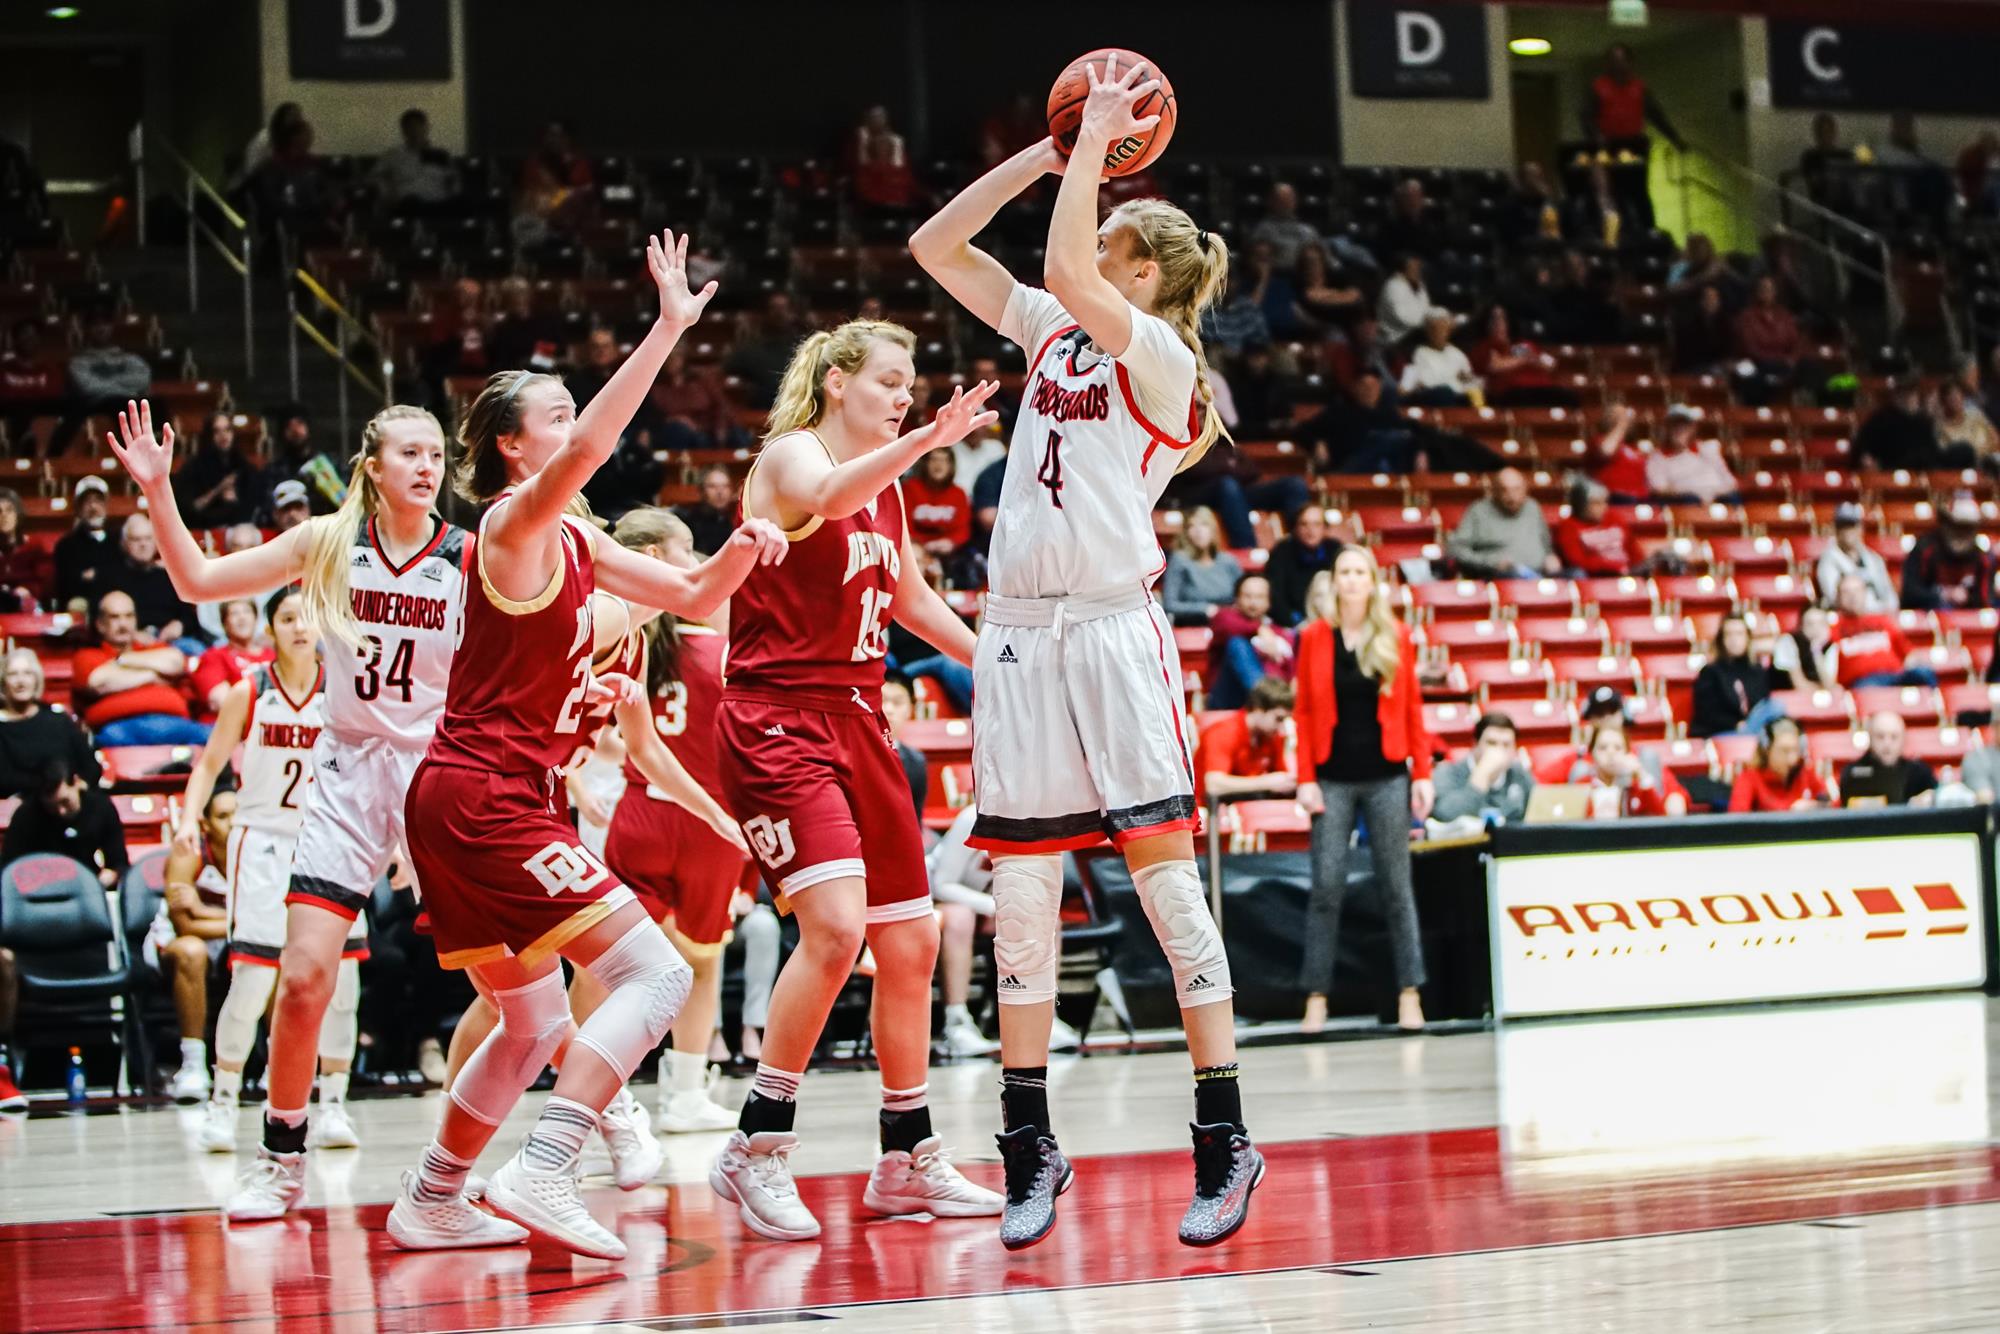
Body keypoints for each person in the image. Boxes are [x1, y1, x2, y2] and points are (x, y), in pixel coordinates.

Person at [912, 62, 1263, 1249]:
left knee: (1167, 892)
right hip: (1018, 631)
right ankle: (1029, 1143)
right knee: (1017, 901)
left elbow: (1063, 265)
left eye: (1109, 233)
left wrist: (1098, 153)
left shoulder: (1161, 357)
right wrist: (1048, 155)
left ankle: (1223, 1136)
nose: (1087, 245)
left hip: (1112, 628)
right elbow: (935, 246)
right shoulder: (1057, 325)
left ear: (1143, 269)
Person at [390, 234, 791, 1258]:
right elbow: (587, 455)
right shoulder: (508, 527)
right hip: (483, 794)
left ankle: (433, 1194)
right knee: (653, 979)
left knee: (528, 1026)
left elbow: (695, 594)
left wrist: (747, 543)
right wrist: (665, 329)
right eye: (556, 417)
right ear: (515, 447)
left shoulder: (576, 540)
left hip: (475, 797)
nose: (574, 431)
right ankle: (547, 1164)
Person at [108, 396, 469, 1224]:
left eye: (437, 456)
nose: (425, 467)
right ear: (372, 468)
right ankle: (281, 1156)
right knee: (303, 976)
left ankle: (482, 1163)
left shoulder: (466, 555)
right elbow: (196, 581)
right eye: (408, 453)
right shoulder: (327, 544)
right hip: (343, 773)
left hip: (431, 774)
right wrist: (159, 492)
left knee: (507, 978)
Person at [693, 314, 1000, 1244]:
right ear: (835, 381)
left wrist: (989, 659)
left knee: (908, 946)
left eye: (911, 386)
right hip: (776, 720)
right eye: (889, 381)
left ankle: (905, 1155)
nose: (904, 396)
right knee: (832, 932)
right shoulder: (788, 459)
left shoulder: (891, 492)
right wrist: (927, 439)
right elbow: (826, 493)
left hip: (860, 721)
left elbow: (905, 598)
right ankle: (758, 1147)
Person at [175, 589, 369, 1153]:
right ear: (271, 631)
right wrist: (190, 818)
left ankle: (332, 1105)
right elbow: (209, 763)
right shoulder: (250, 690)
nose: (300, 627)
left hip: (328, 839)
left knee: (342, 984)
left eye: (309, 616)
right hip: (261, 840)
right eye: (287, 618)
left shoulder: (344, 689)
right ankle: (223, 1104)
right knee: (255, 979)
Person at [599, 509, 755, 1133]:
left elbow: (615, 740)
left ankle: (597, 1090)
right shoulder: (719, 648)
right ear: (657, 556)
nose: (696, 563)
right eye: (687, 550)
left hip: (639, 811)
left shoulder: (619, 639)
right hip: (707, 823)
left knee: (606, 963)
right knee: (701, 960)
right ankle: (685, 1093)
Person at [1292, 546, 1433, 1035]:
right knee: (1326, 887)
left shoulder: (1396, 634)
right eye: (1344, 573)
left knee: (1397, 887)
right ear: (1334, 582)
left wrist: (1426, 775)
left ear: (1373, 582)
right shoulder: (1313, 637)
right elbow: (1305, 711)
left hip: (1388, 775)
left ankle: (1410, 993)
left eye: (1360, 573)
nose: (1351, 581)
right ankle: (1316, 998)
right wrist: (1305, 778)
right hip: (1331, 777)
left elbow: (1413, 707)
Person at [147, 785, 232, 1104]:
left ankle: (272, 1067)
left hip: (231, 941)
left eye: (238, 814)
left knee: (272, 950)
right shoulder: (188, 854)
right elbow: (185, 925)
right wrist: (236, 923)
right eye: (224, 816)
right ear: (206, 824)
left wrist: (204, 911)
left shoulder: (257, 853)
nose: (233, 822)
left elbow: (272, 919)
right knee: (192, 951)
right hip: (173, 942)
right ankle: (194, 1065)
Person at [71, 590, 207, 747]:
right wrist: (153, 675)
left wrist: (122, 660)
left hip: (174, 724)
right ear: (100, 625)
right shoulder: (87, 656)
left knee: (215, 737)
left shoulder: (153, 647)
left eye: (129, 616)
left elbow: (175, 663)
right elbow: (100, 682)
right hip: (121, 728)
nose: (123, 624)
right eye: (115, 617)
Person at [923, 804, 1005, 1059]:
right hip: (931, 895)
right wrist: (990, 905)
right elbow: (943, 884)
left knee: (1040, 916)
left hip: (979, 900)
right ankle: (956, 1022)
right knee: (959, 918)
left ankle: (1041, 1016)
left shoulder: (1037, 815)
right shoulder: (972, 817)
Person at [1582, 43, 1683, 231]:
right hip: (1609, 145)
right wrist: (1596, 135)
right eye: (1613, 61)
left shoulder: (1639, 87)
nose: (1617, 65)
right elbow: (1586, 115)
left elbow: (1655, 114)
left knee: (1639, 190)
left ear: (1630, 63)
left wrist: (1674, 138)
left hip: (1634, 143)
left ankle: (1647, 229)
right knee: (1613, 191)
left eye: (1621, 61)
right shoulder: (1599, 87)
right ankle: (1618, 229)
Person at [4, 756, 128, 887]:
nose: (61, 811)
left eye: (65, 802)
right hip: (41, 886)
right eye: (51, 807)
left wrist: (111, 875)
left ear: (76, 782)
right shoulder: (26, 815)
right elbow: (10, 866)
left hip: (88, 883)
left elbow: (119, 862)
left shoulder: (100, 807)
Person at [0, 649, 98, 798]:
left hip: (65, 803)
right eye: (13, 674)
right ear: (3, 682)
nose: (21, 681)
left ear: (36, 680)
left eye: (28, 673)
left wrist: (80, 788)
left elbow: (90, 766)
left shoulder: (58, 720)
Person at [57, 314, 151, 456]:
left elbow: (142, 380)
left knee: (154, 405)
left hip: (123, 402)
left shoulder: (130, 359)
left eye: (104, 324)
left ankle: (154, 450)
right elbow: (87, 387)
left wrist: (106, 385)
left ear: (111, 328)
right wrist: (123, 387)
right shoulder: (78, 362)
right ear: (87, 330)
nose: (101, 329)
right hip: (92, 405)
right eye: (95, 325)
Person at [106, 514, 203, 649]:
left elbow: (189, 616)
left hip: (171, 641)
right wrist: (132, 634)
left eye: (148, 539)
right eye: (136, 539)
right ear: (124, 543)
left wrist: (179, 625)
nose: (143, 544)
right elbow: (101, 621)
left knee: (197, 651)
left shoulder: (169, 576)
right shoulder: (110, 577)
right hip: (130, 642)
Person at [1193, 678, 1296, 805]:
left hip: (1249, 805)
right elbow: (1214, 784)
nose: (1282, 728)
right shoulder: (1224, 732)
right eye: (1278, 719)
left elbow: (1281, 778)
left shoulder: (1272, 735)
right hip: (1209, 809)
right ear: (1258, 709)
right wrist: (1266, 782)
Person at [1448, 467, 1558, 580]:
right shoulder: (1478, 511)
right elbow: (1456, 550)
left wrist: (1550, 557)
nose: (1511, 497)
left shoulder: (1533, 507)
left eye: (1516, 489)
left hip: (1541, 575)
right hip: (1500, 576)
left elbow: (1546, 546)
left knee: (1575, 575)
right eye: (1504, 490)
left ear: (1526, 489)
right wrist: (1491, 562)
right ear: (1494, 491)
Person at [1205, 573, 1295, 710]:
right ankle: (1269, 701)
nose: (1253, 603)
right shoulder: (1223, 618)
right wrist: (1258, 628)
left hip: (1259, 702)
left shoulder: (1279, 633)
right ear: (1237, 599)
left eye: (1259, 597)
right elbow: (1224, 624)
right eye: (1247, 596)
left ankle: (1272, 702)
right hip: (1227, 698)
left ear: (1269, 601)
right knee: (1237, 644)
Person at [1833, 574, 1938, 688]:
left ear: (1865, 593)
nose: (1853, 597)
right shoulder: (1834, 627)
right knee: (1869, 689)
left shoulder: (1882, 621)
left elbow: (1907, 653)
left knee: (1923, 673)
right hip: (1864, 683)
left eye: (1857, 591)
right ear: (1838, 598)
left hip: (1895, 676)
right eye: (1847, 592)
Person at [1431, 711, 1535, 825]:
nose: (1498, 751)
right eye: (1491, 743)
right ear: (1475, 744)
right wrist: (1481, 776)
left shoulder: (1519, 774)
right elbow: (1443, 816)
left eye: (1506, 745)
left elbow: (1540, 811)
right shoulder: (1448, 772)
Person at [1690, 613, 1783, 738]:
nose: (1734, 639)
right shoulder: (1710, 672)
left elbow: (1761, 705)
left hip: (1754, 731)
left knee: (1776, 710)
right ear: (1721, 639)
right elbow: (1707, 713)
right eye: (1729, 634)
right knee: (1775, 708)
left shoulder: (1757, 670)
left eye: (1739, 634)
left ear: (1748, 638)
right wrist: (1735, 724)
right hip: (1723, 733)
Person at [1902, 498, 2000, 611]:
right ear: (1945, 524)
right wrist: (1943, 594)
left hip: (1967, 616)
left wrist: (1967, 598)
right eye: (1956, 526)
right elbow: (1909, 594)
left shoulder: (1984, 559)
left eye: (1967, 528)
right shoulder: (1925, 550)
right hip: (1929, 614)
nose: (1961, 534)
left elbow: (1986, 600)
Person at [726, 292, 814, 411]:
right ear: (765, 314)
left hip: (800, 410)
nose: (779, 313)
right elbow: (726, 369)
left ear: (793, 313)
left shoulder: (806, 347)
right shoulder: (751, 349)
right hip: (763, 413)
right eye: (774, 308)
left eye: (784, 308)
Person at [1472, 306, 1572, 409]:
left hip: (1542, 388)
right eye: (1494, 320)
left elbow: (1550, 363)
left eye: (1503, 320)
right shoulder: (1486, 347)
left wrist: (1535, 360)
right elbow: (1495, 366)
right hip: (1513, 392)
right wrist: (1524, 360)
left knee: (1569, 397)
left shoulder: (1521, 345)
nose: (1499, 325)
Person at [190, 598, 273, 718]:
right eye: (234, 613)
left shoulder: (273, 656)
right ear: (225, 623)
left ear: (255, 619)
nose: (242, 618)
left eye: (247, 611)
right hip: (225, 728)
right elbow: (221, 703)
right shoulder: (213, 656)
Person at [175, 413, 259, 529]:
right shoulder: (193, 468)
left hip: (239, 533)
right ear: (209, 435)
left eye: (227, 430)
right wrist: (219, 490)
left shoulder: (245, 468)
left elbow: (254, 507)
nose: (223, 436)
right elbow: (188, 509)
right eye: (216, 431)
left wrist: (235, 500)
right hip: (202, 530)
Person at [1162, 507, 1243, 626]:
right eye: (1191, 526)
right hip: (1194, 623)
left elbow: (1243, 595)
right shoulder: (1180, 560)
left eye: (1204, 525)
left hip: (1229, 623)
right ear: (1185, 532)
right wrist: (1205, 609)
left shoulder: (1228, 560)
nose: (1198, 531)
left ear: (1213, 529)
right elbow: (1170, 604)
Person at [1728, 717, 1830, 811]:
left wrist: (1814, 806)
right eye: (1784, 751)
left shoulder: (1806, 773)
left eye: (1795, 750)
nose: (1792, 758)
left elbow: (1832, 805)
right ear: (1766, 750)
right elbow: (1736, 821)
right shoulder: (1749, 778)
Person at [1839, 712, 1939, 808]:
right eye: (1880, 736)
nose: (1887, 744)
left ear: (1903, 739)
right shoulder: (1853, 773)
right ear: (1870, 737)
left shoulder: (1919, 773)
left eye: (1894, 737)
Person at [1264, 504, 1339, 627]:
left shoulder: (1336, 550)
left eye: (1316, 524)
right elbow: (1275, 597)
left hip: (1331, 620)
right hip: (1293, 623)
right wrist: (1296, 622)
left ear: (1325, 529)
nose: (1310, 530)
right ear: (1295, 528)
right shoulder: (1281, 552)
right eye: (1304, 524)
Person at [1646, 405, 1738, 504]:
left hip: (1719, 497)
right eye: (1675, 426)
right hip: (1687, 501)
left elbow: (1730, 482)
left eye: (1684, 426)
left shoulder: (1708, 449)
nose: (1679, 430)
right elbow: (1660, 489)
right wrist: (1697, 493)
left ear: (1692, 429)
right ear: (1667, 429)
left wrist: (1712, 495)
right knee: (1691, 500)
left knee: (1733, 498)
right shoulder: (1657, 458)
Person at [1554, 476, 1642, 576]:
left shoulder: (1614, 518)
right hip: (1596, 576)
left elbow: (1632, 548)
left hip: (1627, 572)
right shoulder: (1568, 526)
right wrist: (1613, 567)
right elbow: (1577, 561)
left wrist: (1637, 567)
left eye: (1604, 502)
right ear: (1581, 505)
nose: (1604, 507)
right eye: (1596, 503)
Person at [371, 108, 457, 210]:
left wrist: (453, 190)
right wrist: (387, 191)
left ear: (426, 128)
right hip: (408, 201)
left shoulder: (441, 154)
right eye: (410, 127)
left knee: (464, 202)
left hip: (439, 201)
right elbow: (376, 177)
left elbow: (454, 180)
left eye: (418, 126)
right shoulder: (392, 155)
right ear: (403, 130)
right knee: (412, 203)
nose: (415, 131)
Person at [1817, 503, 1897, 611]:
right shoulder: (1828, 560)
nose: (1847, 531)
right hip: (1848, 620)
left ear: (1860, 528)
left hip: (1878, 616)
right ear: (1836, 530)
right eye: (1843, 526)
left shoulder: (1874, 559)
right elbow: (1833, 599)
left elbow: (1890, 597)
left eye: (1851, 525)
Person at [54, 475, 119, 607]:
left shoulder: (119, 541)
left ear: (106, 506)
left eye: (98, 501)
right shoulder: (66, 546)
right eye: (87, 502)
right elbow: (67, 585)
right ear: (78, 509)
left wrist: (93, 575)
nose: (93, 507)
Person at [1580, 723, 1668, 818]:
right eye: (1603, 747)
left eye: (1617, 748)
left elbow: (1659, 819)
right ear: (1592, 753)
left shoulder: (1636, 786)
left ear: (1627, 753)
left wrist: (1642, 775)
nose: (1611, 753)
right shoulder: (1582, 785)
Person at [1856, 376, 1941, 472]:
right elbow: (1863, 446)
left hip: (1919, 475)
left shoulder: (1924, 423)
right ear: (1896, 396)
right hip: (1887, 473)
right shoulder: (1880, 419)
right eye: (1904, 394)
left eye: (1912, 394)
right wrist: (1866, 458)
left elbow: (1932, 454)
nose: (1909, 398)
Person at [1399, 310, 1480, 407]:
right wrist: (1454, 376)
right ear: (1428, 332)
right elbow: (1426, 382)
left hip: (1461, 398)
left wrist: (1469, 380)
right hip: (1437, 399)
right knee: (1444, 392)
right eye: (1435, 329)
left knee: (1476, 394)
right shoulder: (1420, 353)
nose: (1440, 333)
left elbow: (1470, 380)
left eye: (1443, 329)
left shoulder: (1457, 353)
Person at [1248, 181, 1324, 271]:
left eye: (1289, 199)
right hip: (1275, 277)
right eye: (1281, 199)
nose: (1286, 203)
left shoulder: (1308, 230)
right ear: (1271, 202)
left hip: (1304, 278)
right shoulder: (1262, 230)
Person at [0, 488, 52, 610]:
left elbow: (45, 583)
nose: (4, 516)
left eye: (9, 510)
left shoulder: (34, 546)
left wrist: (27, 590)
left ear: (18, 514)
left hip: (28, 602)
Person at [676, 466, 738, 558]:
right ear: (701, 491)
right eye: (712, 486)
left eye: (725, 486)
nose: (720, 492)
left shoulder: (734, 519)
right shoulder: (688, 522)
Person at [1772, 604, 1837, 690]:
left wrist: (1817, 652)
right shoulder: (1788, 641)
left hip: (1814, 697)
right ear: (1801, 627)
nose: (1816, 628)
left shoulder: (1831, 646)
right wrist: (1825, 692)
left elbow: (1830, 684)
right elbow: (1799, 685)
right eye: (1810, 624)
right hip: (1784, 696)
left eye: (1821, 623)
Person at [1377, 254, 1431, 346]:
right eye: (1414, 268)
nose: (1418, 271)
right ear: (1401, 270)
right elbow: (1402, 318)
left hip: (1418, 332)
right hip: (1398, 338)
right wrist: (1429, 323)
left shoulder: (1419, 285)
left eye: (1419, 268)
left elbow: (1426, 310)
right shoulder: (1393, 287)